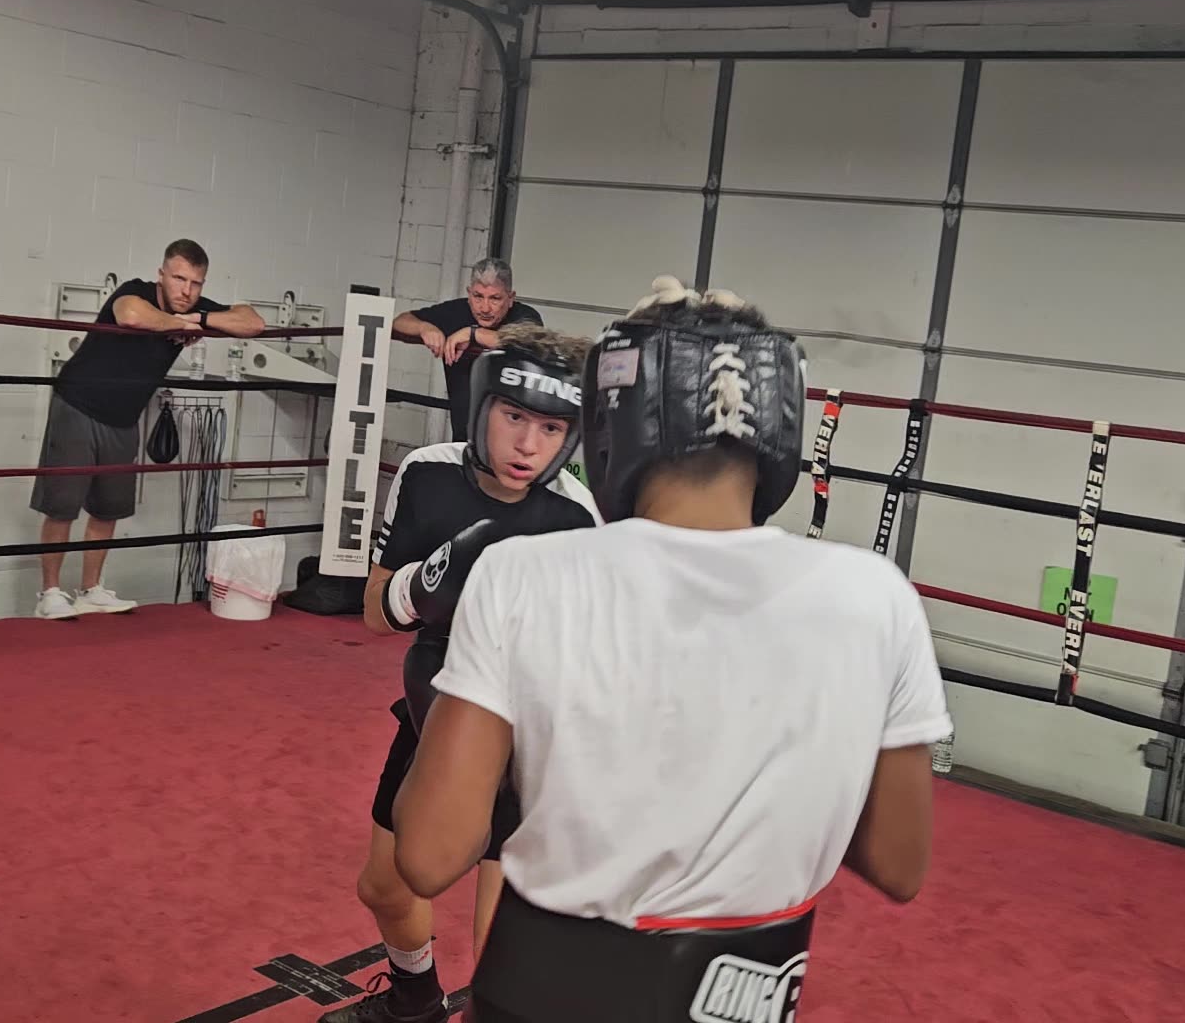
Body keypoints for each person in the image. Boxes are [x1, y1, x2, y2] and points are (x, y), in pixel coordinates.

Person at [392, 276, 953, 1022]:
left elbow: (428, 855)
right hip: (747, 1000)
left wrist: (457, 722)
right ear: (782, 422)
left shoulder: (525, 572)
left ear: (607, 422)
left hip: (541, 993)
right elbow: (899, 864)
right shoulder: (877, 595)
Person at [317, 323, 600, 1023]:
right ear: (482, 406)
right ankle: (414, 999)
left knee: (501, 952)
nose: (528, 445)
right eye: (514, 418)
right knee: (385, 888)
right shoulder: (427, 474)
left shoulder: (578, 518)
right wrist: (424, 585)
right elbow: (375, 614)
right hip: (434, 703)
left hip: (527, 737)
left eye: (551, 427)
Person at [30, 240, 264, 620]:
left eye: (195, 283)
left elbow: (253, 322)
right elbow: (132, 316)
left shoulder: (194, 308)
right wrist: (181, 323)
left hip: (124, 418)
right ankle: (49, 594)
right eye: (178, 279)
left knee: (107, 509)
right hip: (77, 404)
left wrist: (201, 319)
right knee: (61, 507)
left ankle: (90, 590)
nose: (186, 290)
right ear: (161, 275)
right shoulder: (135, 291)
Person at [392, 258, 545, 442]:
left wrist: (473, 334)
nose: (485, 308)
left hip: (512, 441)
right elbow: (400, 321)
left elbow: (528, 343)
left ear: (510, 298)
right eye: (478, 296)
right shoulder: (456, 311)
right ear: (469, 294)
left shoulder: (525, 316)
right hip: (464, 437)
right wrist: (424, 327)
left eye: (495, 298)